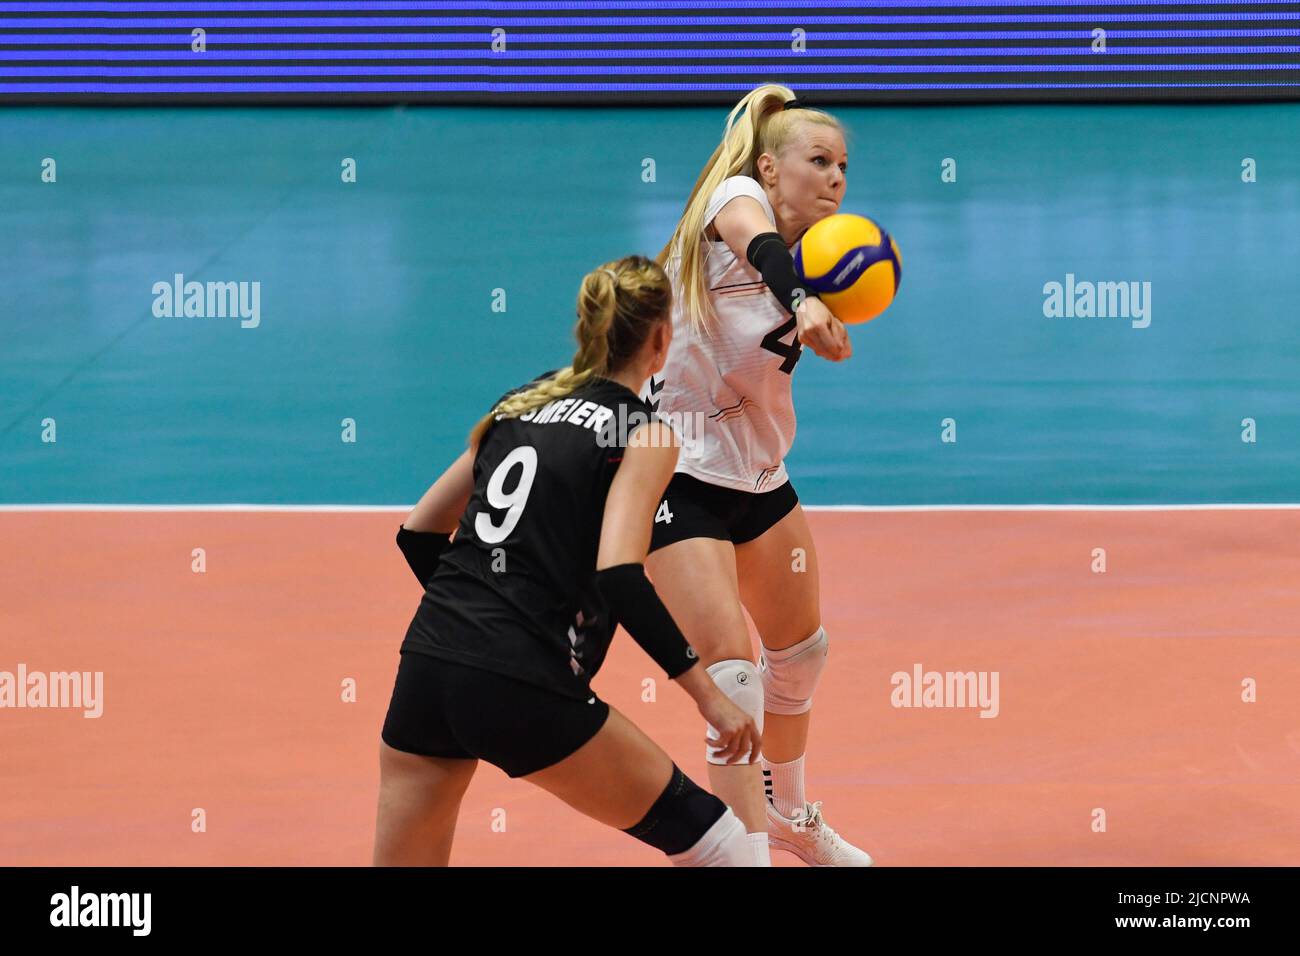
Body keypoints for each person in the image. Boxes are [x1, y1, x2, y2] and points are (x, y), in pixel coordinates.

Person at [373, 254, 766, 867]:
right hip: (520, 678)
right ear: (661, 340)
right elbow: (620, 574)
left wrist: (478, 624)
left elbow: (418, 532)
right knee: (722, 847)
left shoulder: (518, 403)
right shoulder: (643, 431)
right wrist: (708, 698)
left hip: (429, 664)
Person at [641, 84, 874, 865]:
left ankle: (790, 815)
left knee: (801, 654)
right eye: (819, 160)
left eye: (843, 165)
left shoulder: (828, 254)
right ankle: (743, 857)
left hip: (757, 472)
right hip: (674, 469)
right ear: (771, 169)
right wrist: (803, 301)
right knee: (733, 680)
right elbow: (758, 248)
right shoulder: (736, 200)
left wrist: (826, 306)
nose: (836, 177)